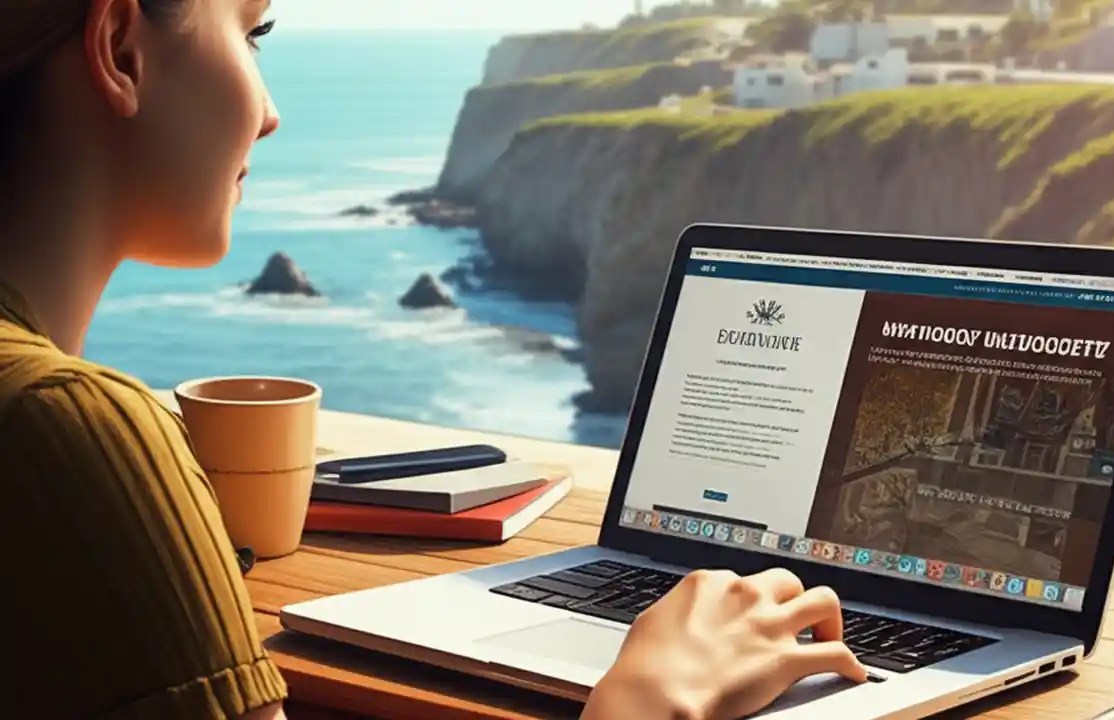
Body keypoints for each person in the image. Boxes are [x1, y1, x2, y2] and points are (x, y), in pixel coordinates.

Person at [0, 1, 867, 718]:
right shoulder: (68, 426)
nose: (271, 113)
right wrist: (652, 697)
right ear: (119, 47)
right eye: (252, 30)